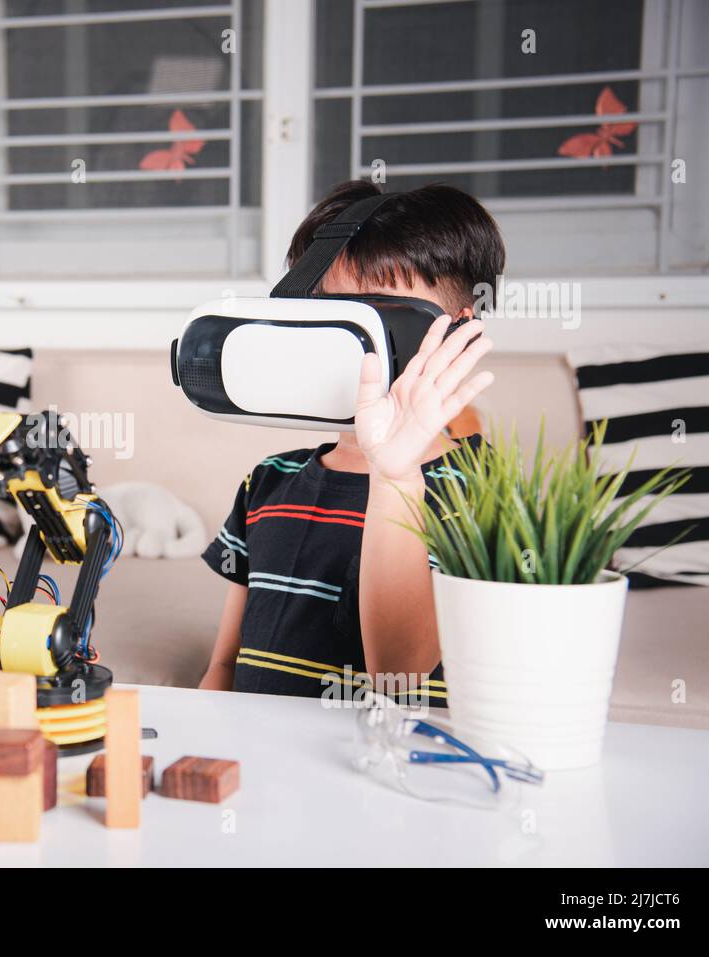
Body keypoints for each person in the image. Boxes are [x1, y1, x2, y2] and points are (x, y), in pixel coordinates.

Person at [198, 180, 505, 703]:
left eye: (383, 317)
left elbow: (399, 675)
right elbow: (225, 663)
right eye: (333, 315)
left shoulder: (481, 490)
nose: (354, 346)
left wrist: (396, 474)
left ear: (459, 332)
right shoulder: (269, 480)